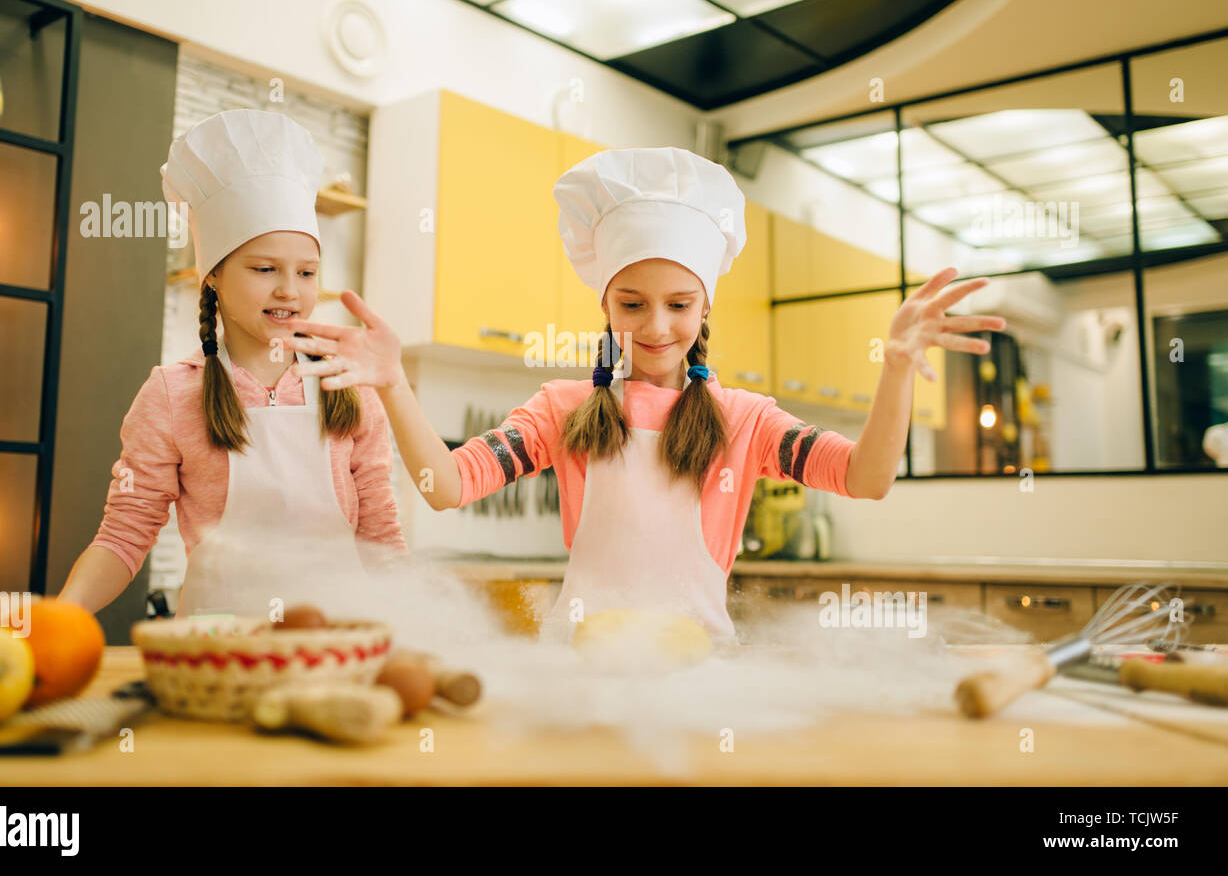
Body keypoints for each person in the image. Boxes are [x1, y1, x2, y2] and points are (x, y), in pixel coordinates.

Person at [283, 146, 1004, 640]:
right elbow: (445, 486)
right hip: (578, 672)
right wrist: (393, 384)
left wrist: (897, 367)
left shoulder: (743, 420)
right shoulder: (562, 410)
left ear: (704, 308)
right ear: (606, 307)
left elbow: (866, 477)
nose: (657, 326)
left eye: (679, 304)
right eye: (632, 304)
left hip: (698, 680)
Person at [59, 109, 405, 618]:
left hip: (335, 650)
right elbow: (125, 534)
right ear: (214, 276)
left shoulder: (349, 387)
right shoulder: (173, 395)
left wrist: (420, 626)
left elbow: (380, 540)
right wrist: (61, 616)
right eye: (264, 269)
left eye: (307, 272)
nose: (289, 289)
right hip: (216, 654)